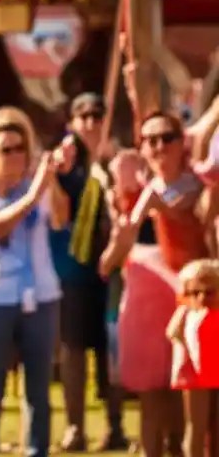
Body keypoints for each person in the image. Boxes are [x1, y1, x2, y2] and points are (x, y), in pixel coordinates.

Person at [0, 109, 68, 457]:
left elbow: (61, 219)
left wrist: (53, 179)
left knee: (38, 388)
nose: (14, 155)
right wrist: (34, 193)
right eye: (5, 149)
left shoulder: (37, 182)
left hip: (41, 295)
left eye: (20, 147)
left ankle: (38, 450)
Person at [53, 93, 127, 451]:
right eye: (83, 116)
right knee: (73, 352)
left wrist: (111, 171)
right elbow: (58, 210)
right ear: (72, 122)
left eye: (98, 115)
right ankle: (75, 426)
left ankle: (115, 425)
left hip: (113, 272)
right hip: (76, 272)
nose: (92, 122)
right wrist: (57, 173)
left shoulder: (117, 160)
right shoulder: (67, 165)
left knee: (112, 350)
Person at [101, 148, 184, 457]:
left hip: (175, 309)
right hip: (140, 314)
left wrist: (158, 206)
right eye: (119, 170)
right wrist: (120, 239)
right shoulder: (117, 212)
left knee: (177, 400)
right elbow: (105, 265)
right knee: (150, 400)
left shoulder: (171, 196)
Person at [168, 259, 219, 457]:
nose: (202, 298)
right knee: (196, 425)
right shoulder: (188, 313)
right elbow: (172, 333)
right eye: (195, 293)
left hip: (212, 369)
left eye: (210, 292)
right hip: (194, 376)